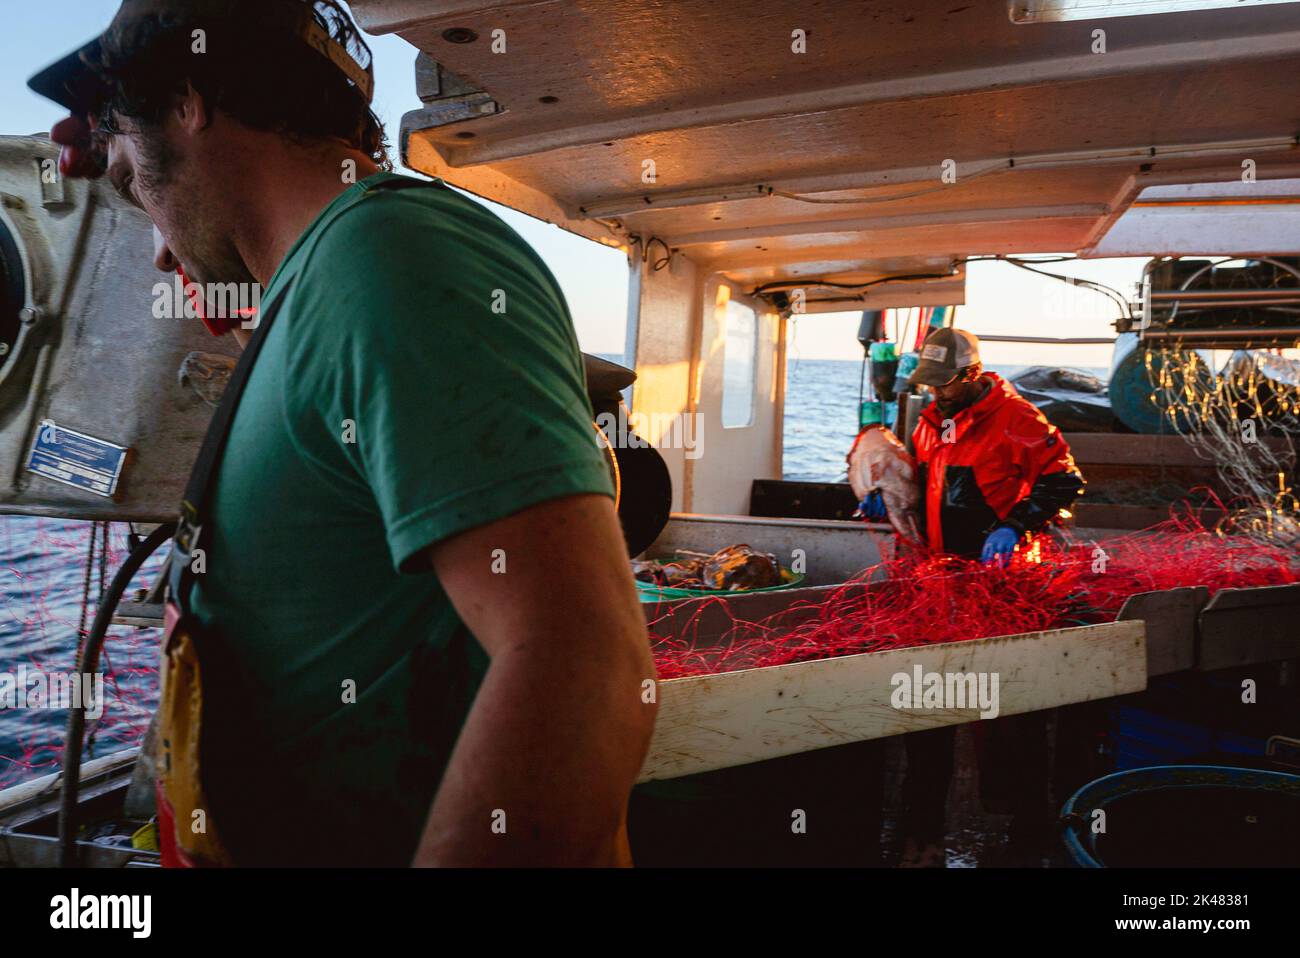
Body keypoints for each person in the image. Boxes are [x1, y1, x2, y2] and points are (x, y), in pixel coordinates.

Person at [31, 0, 657, 866]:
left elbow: (585, 664)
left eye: (135, 184)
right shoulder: (333, 280)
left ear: (187, 99)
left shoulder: (390, 254)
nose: (155, 249)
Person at [858, 326, 1085, 865]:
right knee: (928, 707)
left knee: (1016, 711)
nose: (935, 393)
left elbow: (1066, 481)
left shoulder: (1018, 419)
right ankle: (924, 834)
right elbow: (913, 478)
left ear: (973, 374)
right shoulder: (930, 423)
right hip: (938, 584)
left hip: (1003, 587)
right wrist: (880, 497)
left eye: (944, 384)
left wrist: (1016, 525)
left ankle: (1027, 831)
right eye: (929, 384)